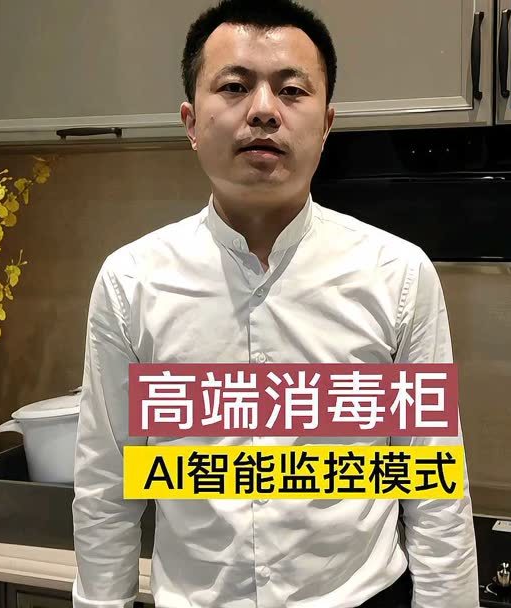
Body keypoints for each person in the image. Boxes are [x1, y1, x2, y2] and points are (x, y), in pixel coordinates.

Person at [72, 1, 478, 606]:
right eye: (234, 87)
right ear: (190, 121)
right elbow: (107, 489)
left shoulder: (396, 274)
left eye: (291, 90)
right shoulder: (131, 282)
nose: (263, 110)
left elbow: (434, 487)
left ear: (327, 123)